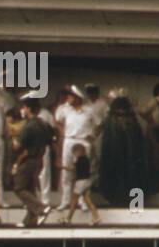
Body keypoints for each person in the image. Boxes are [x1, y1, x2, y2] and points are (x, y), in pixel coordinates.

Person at [10, 101, 54, 227]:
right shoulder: (43, 124)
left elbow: (18, 145)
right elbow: (50, 140)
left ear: (28, 109)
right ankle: (30, 219)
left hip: (27, 159)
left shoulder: (29, 126)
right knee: (29, 188)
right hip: (39, 159)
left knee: (19, 187)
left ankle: (41, 208)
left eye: (24, 107)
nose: (23, 110)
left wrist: (13, 136)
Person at [55, 86, 98, 214]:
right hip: (69, 140)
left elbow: (99, 124)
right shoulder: (65, 109)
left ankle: (83, 201)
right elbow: (57, 121)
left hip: (83, 141)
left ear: (77, 98)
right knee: (67, 173)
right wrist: (63, 132)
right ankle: (65, 201)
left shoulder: (89, 111)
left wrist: (93, 136)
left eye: (71, 96)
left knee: (83, 173)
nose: (68, 98)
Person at [139, 82, 159, 190]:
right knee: (153, 155)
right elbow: (142, 111)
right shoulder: (154, 102)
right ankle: (151, 180)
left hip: (158, 131)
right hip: (153, 131)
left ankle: (153, 179)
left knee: (156, 155)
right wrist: (151, 121)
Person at [62, 142, 101, 225]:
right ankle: (96, 217)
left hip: (80, 182)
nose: (74, 155)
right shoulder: (87, 160)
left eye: (74, 153)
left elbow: (73, 169)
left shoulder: (79, 160)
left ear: (78, 151)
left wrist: (62, 167)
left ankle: (68, 218)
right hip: (87, 181)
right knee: (87, 200)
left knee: (74, 200)